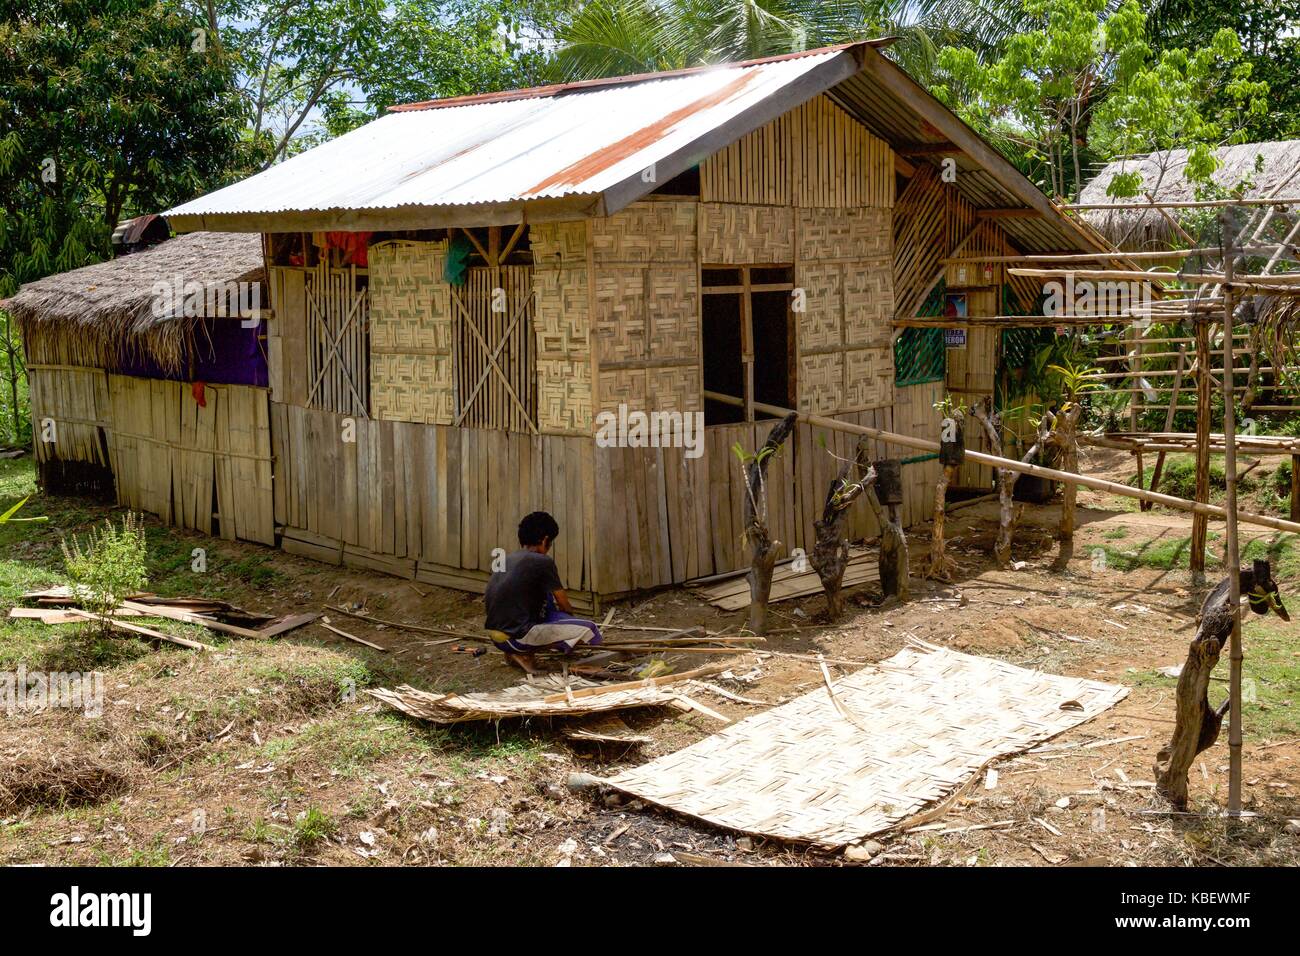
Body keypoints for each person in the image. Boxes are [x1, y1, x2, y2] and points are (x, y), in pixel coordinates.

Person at [484, 511, 602, 673]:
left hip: (496, 636)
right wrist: (568, 623)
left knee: (545, 599)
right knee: (590, 630)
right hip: (518, 637)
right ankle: (524, 653)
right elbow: (564, 604)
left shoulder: (506, 559)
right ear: (545, 540)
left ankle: (516, 650)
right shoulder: (542, 561)